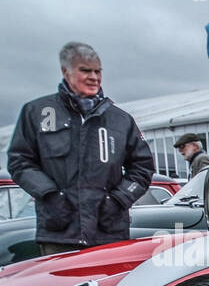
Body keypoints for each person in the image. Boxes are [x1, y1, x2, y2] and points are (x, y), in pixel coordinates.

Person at [7, 42, 154, 256]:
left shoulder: (121, 120)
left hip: (109, 232)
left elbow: (142, 168)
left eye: (97, 71)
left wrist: (117, 200)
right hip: (59, 233)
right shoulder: (37, 112)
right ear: (65, 71)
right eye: (85, 70)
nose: (94, 77)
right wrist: (50, 195)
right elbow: (20, 161)